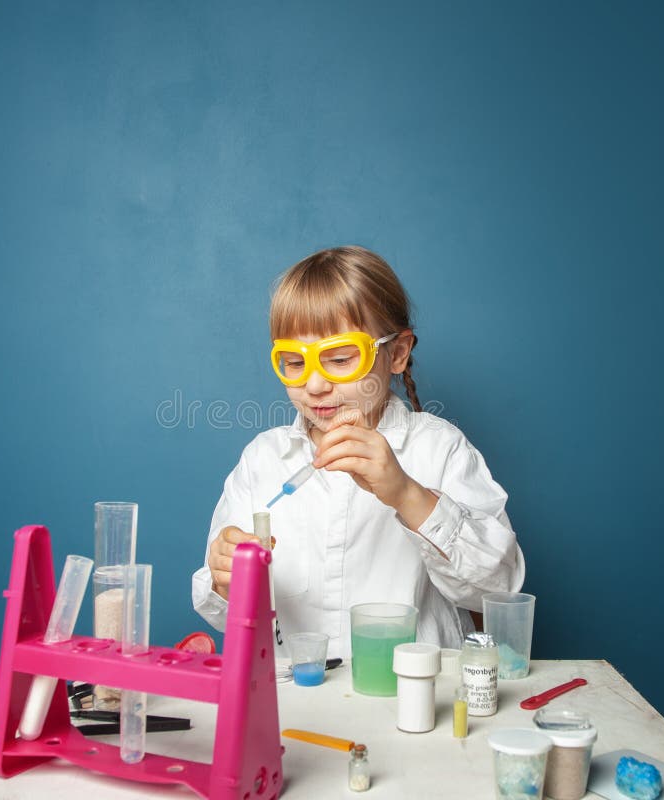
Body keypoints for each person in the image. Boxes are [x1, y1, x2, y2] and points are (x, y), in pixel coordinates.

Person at [192, 246, 524, 658]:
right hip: (298, 697)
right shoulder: (263, 460)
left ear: (397, 353)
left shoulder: (439, 449)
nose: (315, 385)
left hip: (414, 698)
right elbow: (223, 611)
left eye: (340, 359)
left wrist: (407, 494)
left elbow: (499, 585)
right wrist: (227, 579)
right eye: (294, 362)